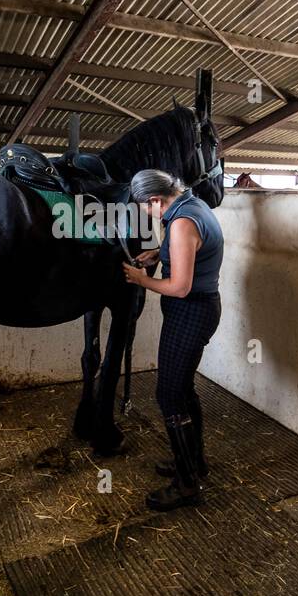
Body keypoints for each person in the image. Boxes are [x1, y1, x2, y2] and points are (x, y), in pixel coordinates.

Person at [121, 168, 223, 510]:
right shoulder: (193, 205)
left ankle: (187, 485)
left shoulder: (181, 224)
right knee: (183, 389)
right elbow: (185, 250)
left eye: (145, 208)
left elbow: (179, 287)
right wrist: (156, 254)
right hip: (198, 310)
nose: (147, 214)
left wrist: (140, 278)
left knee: (168, 394)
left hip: (189, 311)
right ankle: (194, 463)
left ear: (154, 199)